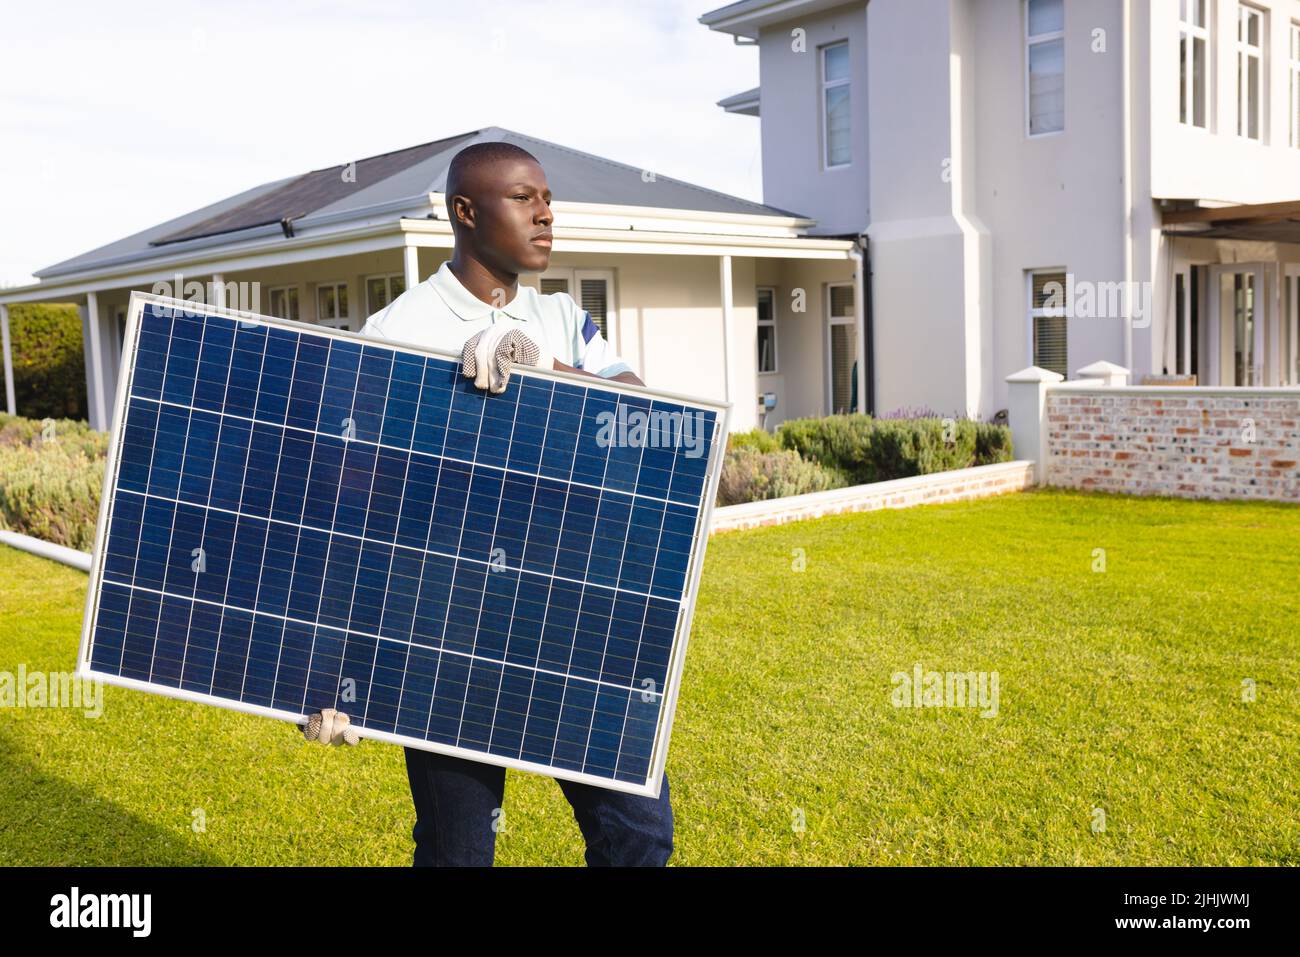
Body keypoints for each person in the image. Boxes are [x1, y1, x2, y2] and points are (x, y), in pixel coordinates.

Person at [300, 141, 674, 867]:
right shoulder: (395, 333)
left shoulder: (564, 318)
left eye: (547, 198)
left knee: (637, 832)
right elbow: (351, 509)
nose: (546, 213)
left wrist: (541, 366)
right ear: (466, 212)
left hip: (571, 616)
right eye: (523, 197)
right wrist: (324, 668)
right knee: (457, 851)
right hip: (449, 630)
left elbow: (644, 419)